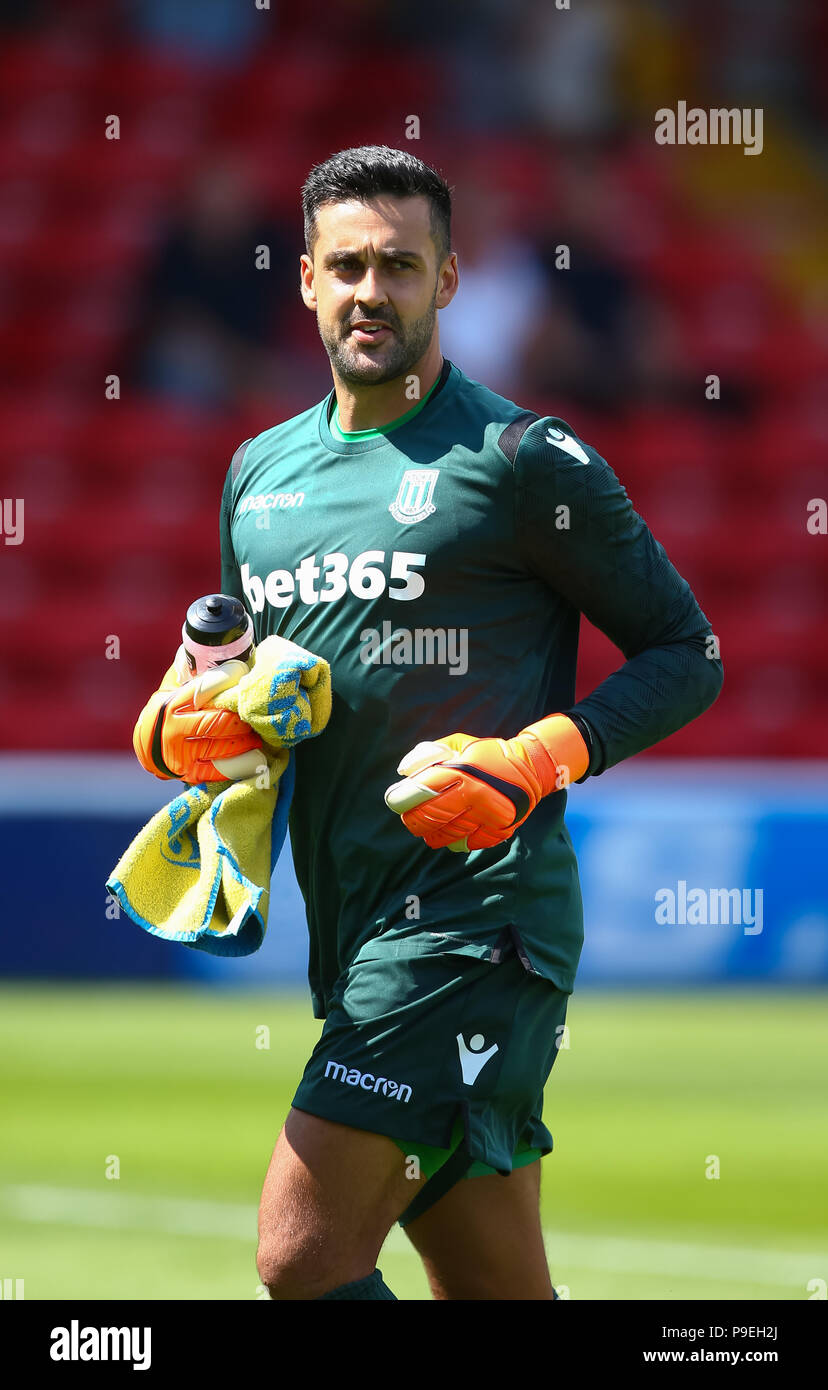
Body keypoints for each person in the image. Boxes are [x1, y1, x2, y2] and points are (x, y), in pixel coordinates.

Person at [134, 145, 723, 1300]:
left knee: (302, 1256)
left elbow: (685, 652)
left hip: (474, 926)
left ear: (449, 279)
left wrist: (535, 757)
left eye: (401, 265)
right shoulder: (258, 474)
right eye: (346, 265)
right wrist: (180, 721)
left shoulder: (521, 459)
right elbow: (238, 681)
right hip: (354, 925)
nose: (372, 291)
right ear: (304, 279)